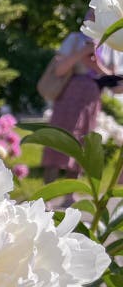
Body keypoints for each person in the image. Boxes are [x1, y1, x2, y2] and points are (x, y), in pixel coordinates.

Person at [43, 20, 122, 183]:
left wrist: (96, 65)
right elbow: (59, 70)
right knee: (58, 140)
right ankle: (47, 191)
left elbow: (112, 81)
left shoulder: (110, 44)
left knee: (82, 143)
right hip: (68, 96)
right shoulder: (75, 39)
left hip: (91, 100)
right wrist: (83, 52)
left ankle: (70, 194)